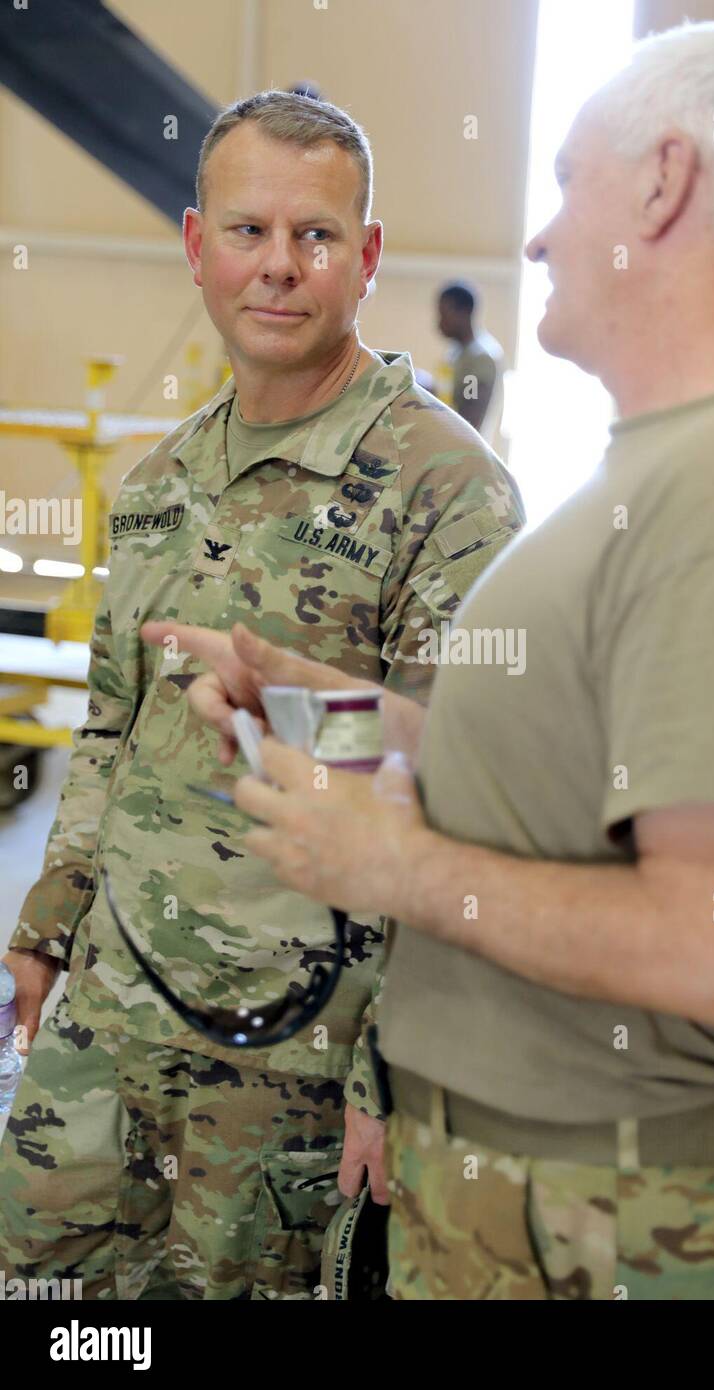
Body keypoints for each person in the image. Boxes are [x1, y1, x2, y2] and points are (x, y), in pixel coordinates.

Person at [170, 21, 714, 1300]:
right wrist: (327, 711)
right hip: (548, 1205)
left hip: (611, 1227)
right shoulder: (683, 469)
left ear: (665, 183)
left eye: (568, 180)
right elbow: (561, 786)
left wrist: (396, 865)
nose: (537, 234)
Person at [0, 89, 523, 1300]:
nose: (279, 267)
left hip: (296, 1067)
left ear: (367, 256)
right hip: (107, 1035)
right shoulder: (157, 483)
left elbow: (472, 800)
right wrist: (46, 925)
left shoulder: (450, 495)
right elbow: (111, 727)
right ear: (197, 248)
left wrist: (400, 1076)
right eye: (247, 232)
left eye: (317, 235)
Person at [435, 282, 505, 447]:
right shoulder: (455, 353)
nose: (439, 322)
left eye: (444, 314)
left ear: (464, 312)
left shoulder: (478, 358)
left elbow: (470, 415)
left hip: (467, 451)